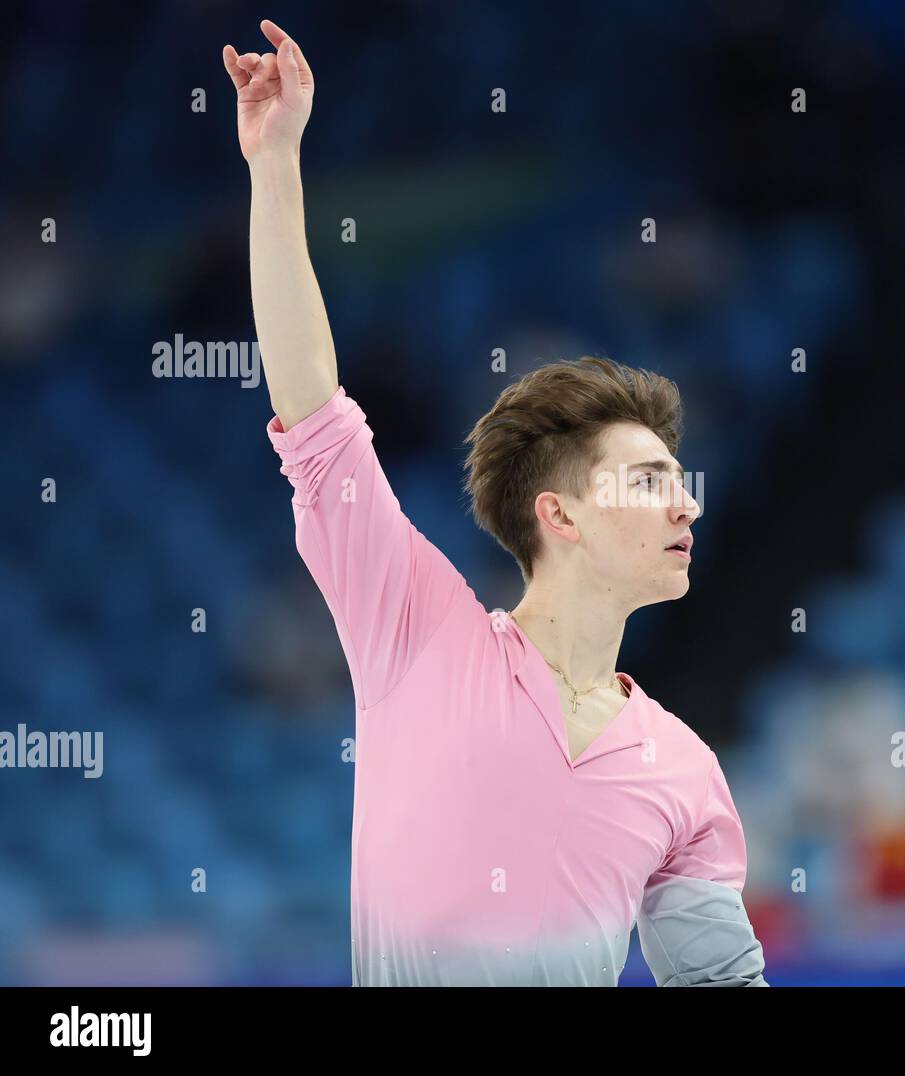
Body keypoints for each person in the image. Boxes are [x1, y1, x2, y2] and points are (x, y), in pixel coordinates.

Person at [222, 19, 768, 987]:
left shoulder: (684, 772)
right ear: (558, 514)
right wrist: (276, 166)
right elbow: (311, 409)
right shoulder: (415, 629)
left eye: (682, 481)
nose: (686, 506)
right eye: (649, 481)